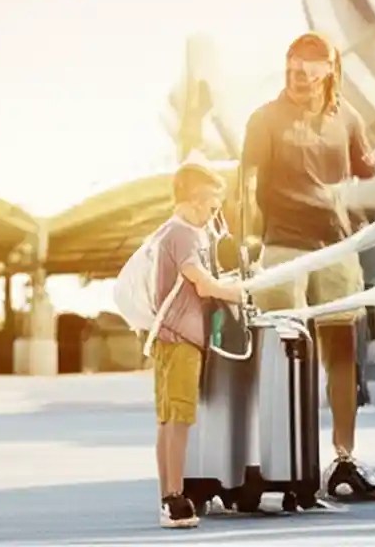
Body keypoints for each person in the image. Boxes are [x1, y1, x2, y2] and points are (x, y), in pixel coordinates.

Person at [241, 32, 375, 502]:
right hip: (283, 247)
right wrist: (247, 243)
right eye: (293, 69)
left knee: (341, 350)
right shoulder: (264, 119)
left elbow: (370, 174)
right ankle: (283, 458)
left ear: (330, 70)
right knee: (283, 353)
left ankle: (343, 458)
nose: (300, 78)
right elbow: (246, 186)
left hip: (338, 246)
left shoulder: (347, 118)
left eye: (310, 69)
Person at [152, 159, 246, 528]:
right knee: (179, 419)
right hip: (181, 342)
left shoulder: (169, 232)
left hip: (166, 340)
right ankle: (174, 498)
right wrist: (237, 293)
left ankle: (168, 496)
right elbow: (202, 283)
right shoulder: (185, 234)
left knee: (167, 419)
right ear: (193, 198)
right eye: (210, 205)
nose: (213, 214)